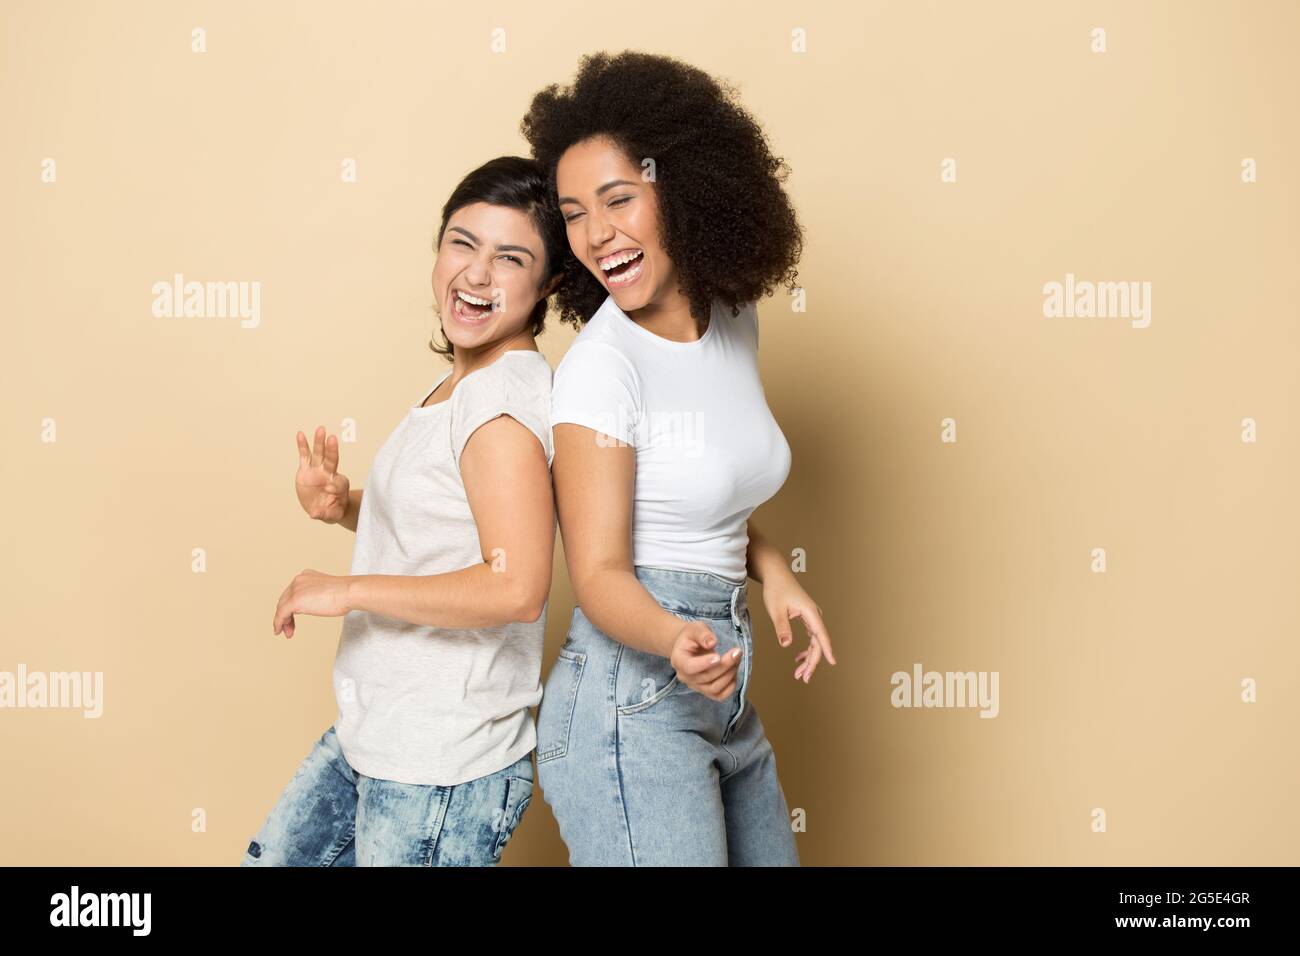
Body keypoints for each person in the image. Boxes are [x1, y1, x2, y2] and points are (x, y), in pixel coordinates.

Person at [521, 51, 836, 866]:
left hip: (719, 689)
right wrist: (673, 639)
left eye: (619, 200)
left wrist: (778, 574)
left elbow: (706, 488)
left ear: (687, 189)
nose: (597, 235)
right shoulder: (601, 369)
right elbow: (597, 573)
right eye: (575, 214)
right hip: (633, 701)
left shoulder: (732, 315)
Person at [240, 156, 565, 866]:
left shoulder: (499, 403)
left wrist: (347, 589)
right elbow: (448, 523)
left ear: (548, 285)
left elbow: (514, 585)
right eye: (462, 242)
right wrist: (345, 505)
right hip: (381, 735)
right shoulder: (465, 382)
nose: (476, 274)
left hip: (438, 760)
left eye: (510, 257)